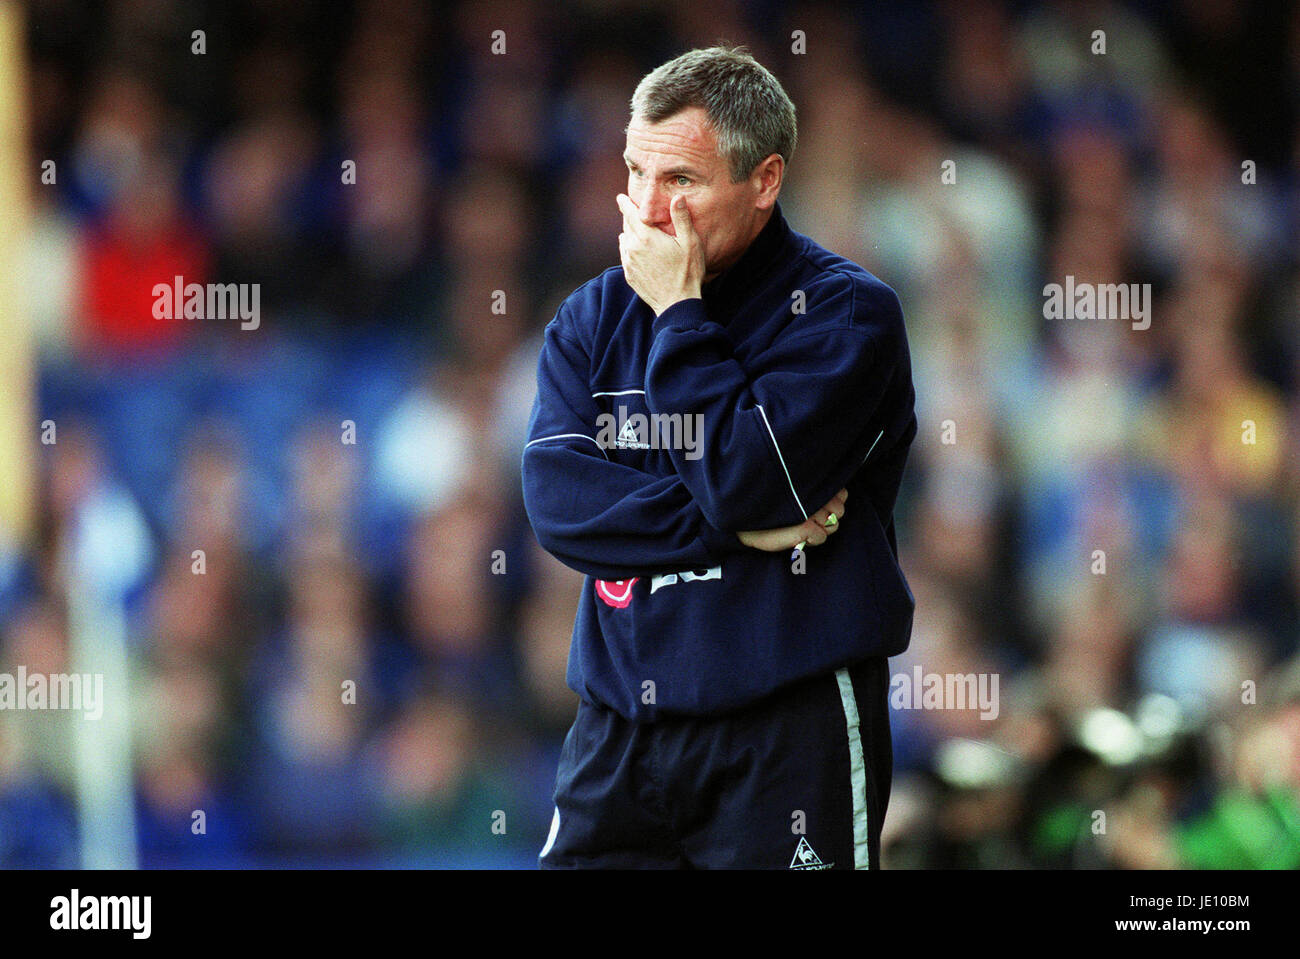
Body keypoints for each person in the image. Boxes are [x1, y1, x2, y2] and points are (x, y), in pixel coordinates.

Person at [522, 45, 917, 869]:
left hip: (788, 724)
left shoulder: (846, 315)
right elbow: (559, 504)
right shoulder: (590, 318)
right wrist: (750, 530)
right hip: (620, 728)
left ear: (766, 180)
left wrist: (677, 313)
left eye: (681, 181)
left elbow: (749, 476)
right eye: (635, 171)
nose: (648, 207)